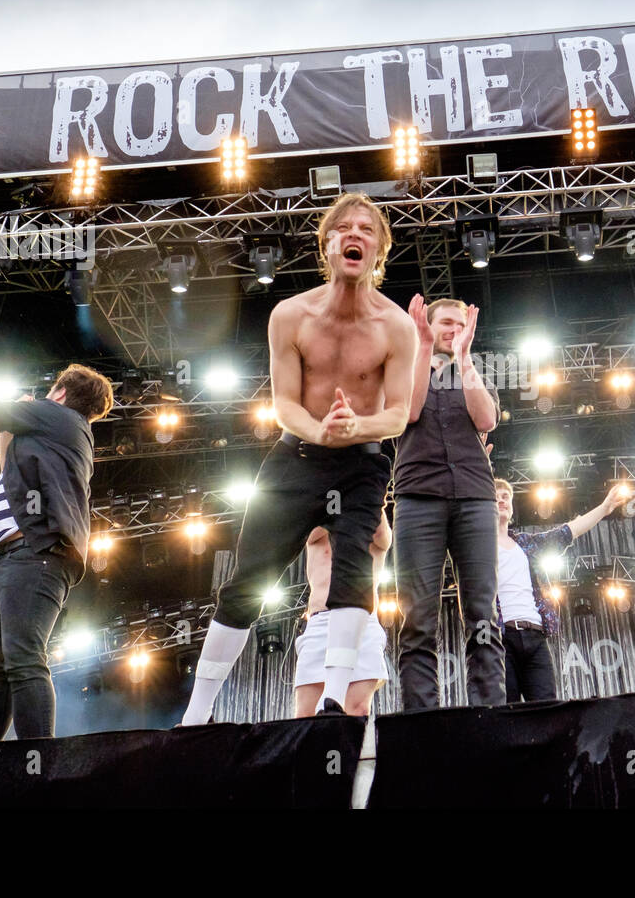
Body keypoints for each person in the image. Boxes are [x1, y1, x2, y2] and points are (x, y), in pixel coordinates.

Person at [180, 192, 416, 724]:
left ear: (379, 250)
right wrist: (321, 430)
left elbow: (398, 414)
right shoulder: (290, 314)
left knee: (354, 572)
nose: (355, 235)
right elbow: (283, 403)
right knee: (245, 582)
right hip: (294, 459)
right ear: (327, 244)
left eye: (367, 230)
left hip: (362, 465)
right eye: (344, 228)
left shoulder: (396, 327)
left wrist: (356, 427)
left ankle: (333, 698)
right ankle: (197, 715)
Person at [0, 364, 114, 740]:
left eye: (50, 391)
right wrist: (8, 428)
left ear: (60, 393)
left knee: (24, 660)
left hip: (33, 553)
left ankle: (39, 769)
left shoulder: (58, 416)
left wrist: (16, 405)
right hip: (7, 559)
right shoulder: (50, 434)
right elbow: (9, 472)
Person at [393, 296, 502, 709]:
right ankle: (422, 718)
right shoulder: (404, 367)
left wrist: (466, 358)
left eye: (461, 323)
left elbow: (486, 420)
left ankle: (489, 712)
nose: (454, 328)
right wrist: (422, 348)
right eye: (446, 323)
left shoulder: (472, 372)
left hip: (475, 496)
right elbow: (409, 412)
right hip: (418, 498)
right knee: (418, 617)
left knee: (482, 612)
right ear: (427, 325)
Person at [494, 478, 630, 702]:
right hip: (501, 638)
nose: (501, 500)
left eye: (505, 496)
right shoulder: (477, 546)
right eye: (495, 496)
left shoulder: (526, 543)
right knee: (508, 712)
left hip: (535, 636)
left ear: (511, 506)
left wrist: (604, 508)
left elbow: (568, 532)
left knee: (547, 708)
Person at [293, 514, 392, 717]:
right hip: (321, 621)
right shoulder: (320, 520)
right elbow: (311, 532)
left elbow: (383, 537)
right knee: (306, 715)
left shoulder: (373, 519)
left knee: (357, 710)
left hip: (363, 622)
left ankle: (350, 750)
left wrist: (369, 490)